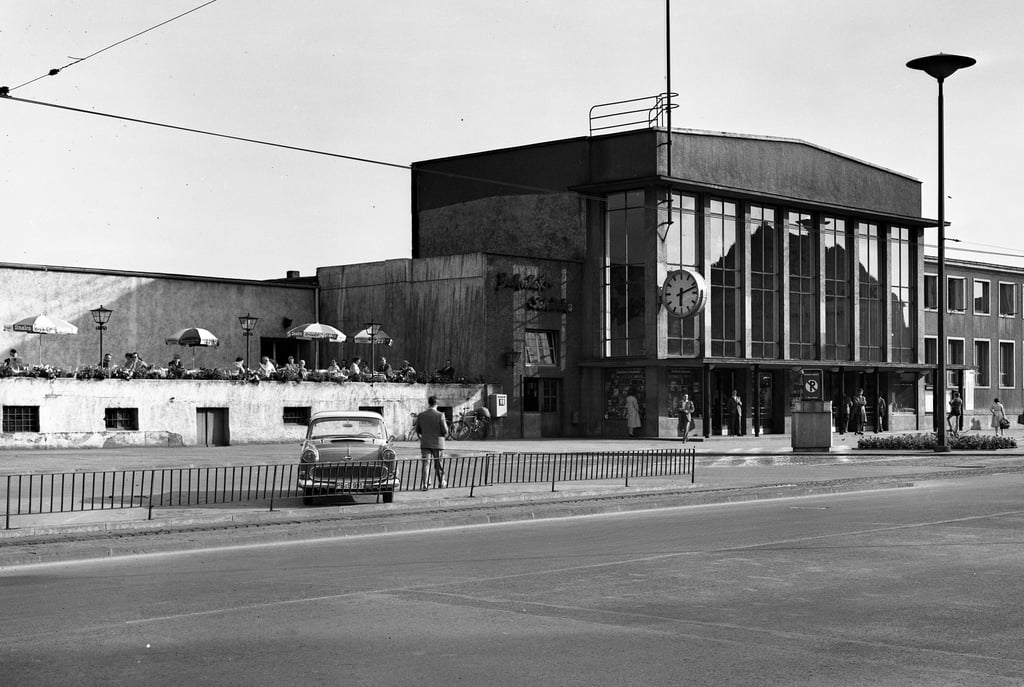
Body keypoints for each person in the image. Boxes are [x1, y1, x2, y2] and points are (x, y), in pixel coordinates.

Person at [415, 395, 448, 490]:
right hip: (438, 443)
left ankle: (425, 484)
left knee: (426, 464)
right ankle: (441, 482)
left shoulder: (421, 415)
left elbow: (418, 429)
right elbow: (445, 430)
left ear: (429, 403)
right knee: (438, 464)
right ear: (436, 404)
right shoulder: (440, 415)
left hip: (425, 442)